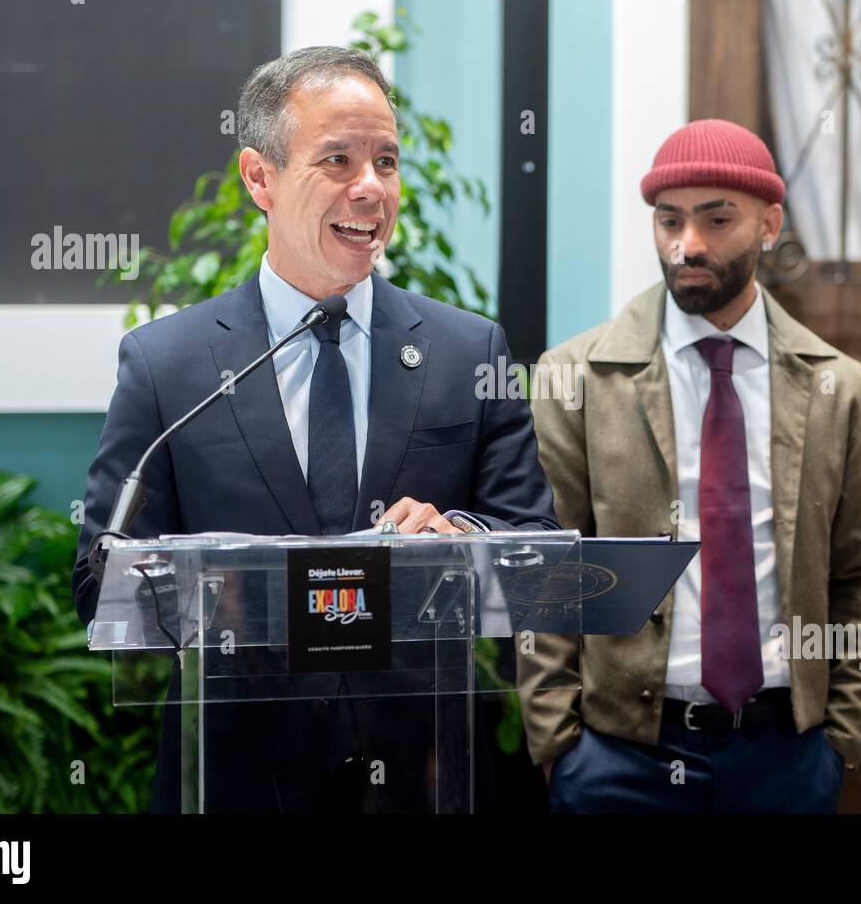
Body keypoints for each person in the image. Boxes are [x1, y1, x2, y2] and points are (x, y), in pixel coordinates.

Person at [72, 46, 556, 813]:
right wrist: (210, 589)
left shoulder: (470, 351)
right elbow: (98, 580)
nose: (372, 189)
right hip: (236, 777)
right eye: (338, 159)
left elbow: (534, 547)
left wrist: (457, 531)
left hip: (425, 772)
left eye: (387, 162)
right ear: (259, 178)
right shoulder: (168, 364)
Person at [518, 118, 861, 813]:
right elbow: (547, 567)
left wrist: (841, 736)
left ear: (769, 223)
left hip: (787, 753)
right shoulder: (575, 377)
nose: (687, 244)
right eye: (670, 221)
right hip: (619, 756)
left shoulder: (837, 386)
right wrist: (557, 741)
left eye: (716, 219)